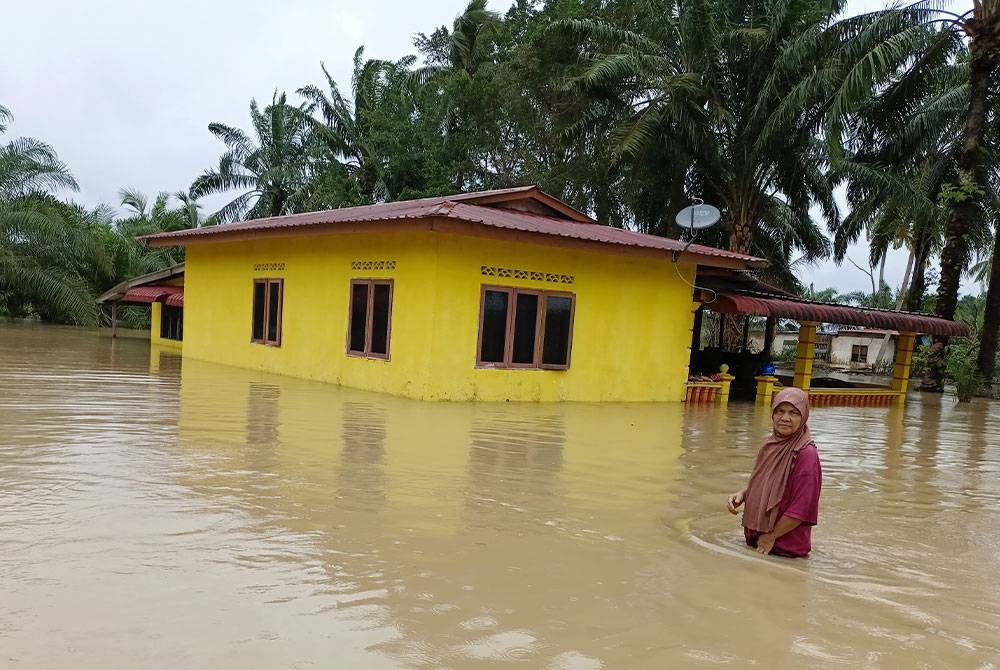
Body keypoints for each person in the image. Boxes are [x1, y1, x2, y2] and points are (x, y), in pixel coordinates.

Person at [726, 387, 822, 557]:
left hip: (783, 550)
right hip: (757, 543)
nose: (785, 418)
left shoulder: (806, 454)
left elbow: (803, 506)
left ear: (804, 416)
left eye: (793, 413)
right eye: (780, 411)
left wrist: (771, 536)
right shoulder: (770, 446)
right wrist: (744, 494)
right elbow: (769, 485)